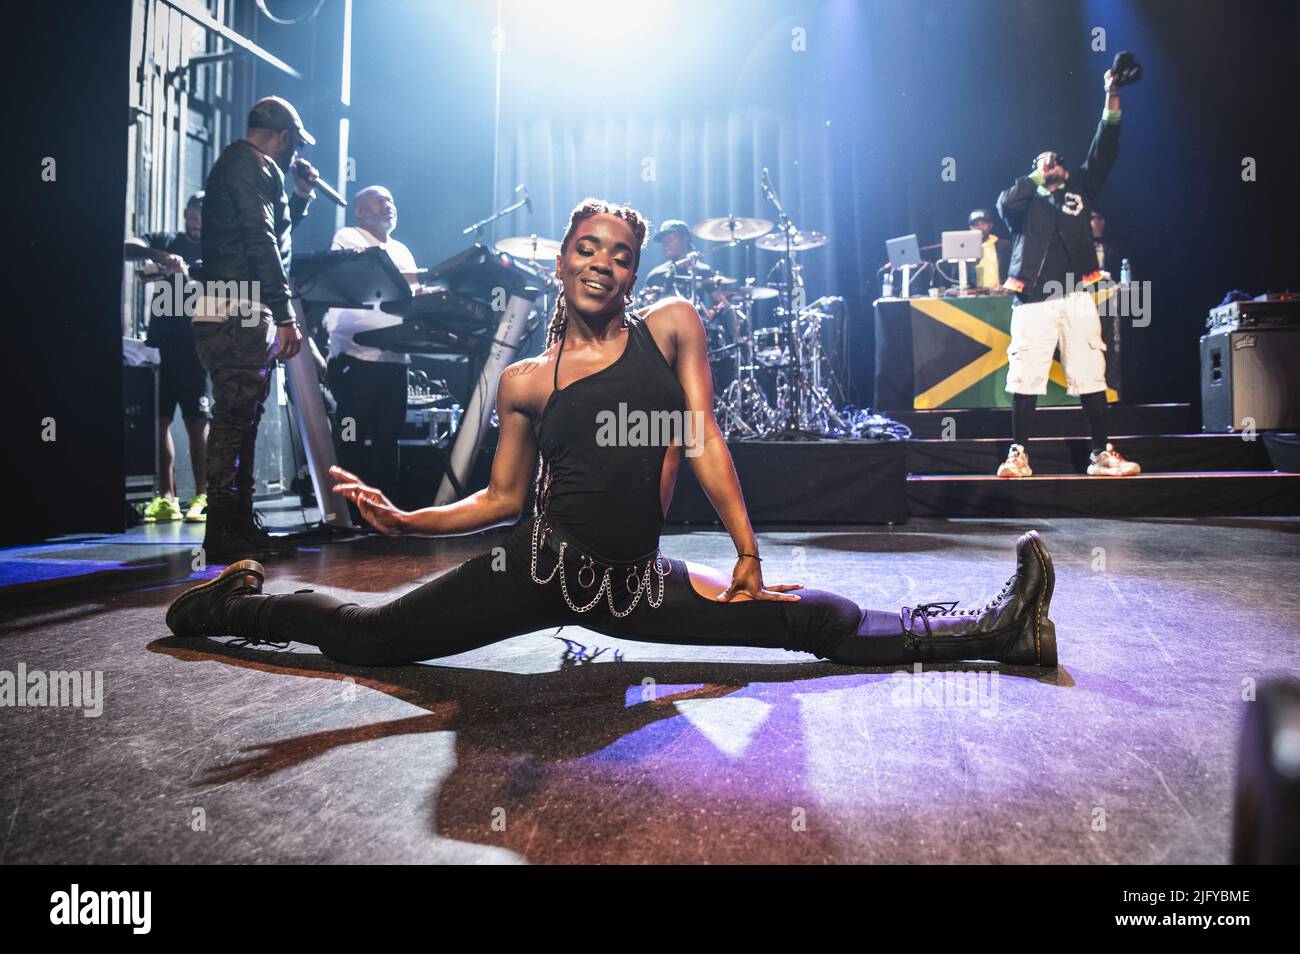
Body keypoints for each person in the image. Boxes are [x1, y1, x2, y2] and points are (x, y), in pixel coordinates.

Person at [166, 198, 1058, 672]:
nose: (603, 262)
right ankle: (236, 605)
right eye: (586, 248)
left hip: (638, 583)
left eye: (620, 253)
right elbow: (501, 500)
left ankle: (996, 632)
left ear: (637, 270)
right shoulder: (524, 380)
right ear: (562, 259)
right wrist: (404, 522)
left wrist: (746, 550)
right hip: (535, 570)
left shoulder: (669, 327)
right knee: (367, 639)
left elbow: (703, 437)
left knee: (807, 619)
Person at [994, 68, 1140, 479]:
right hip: (1033, 299)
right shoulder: (1024, 202)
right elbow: (1005, 201)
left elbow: (1105, 148)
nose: (1052, 164)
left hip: (1076, 295)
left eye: (1055, 160)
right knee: (1025, 374)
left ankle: (1101, 455)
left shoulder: (1080, 188)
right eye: (1044, 161)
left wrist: (1111, 95)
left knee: (1091, 370)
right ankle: (1018, 455)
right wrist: (1038, 176)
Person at [192, 96, 320, 561]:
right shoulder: (254, 165)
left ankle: (238, 524)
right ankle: (223, 529)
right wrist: (285, 314)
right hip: (239, 305)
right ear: (283, 138)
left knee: (241, 415)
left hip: (228, 304)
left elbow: (272, 236)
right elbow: (260, 237)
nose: (294, 155)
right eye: (293, 146)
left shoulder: (240, 166)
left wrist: (300, 197)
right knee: (233, 418)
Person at [322, 186, 419, 502]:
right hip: (356, 356)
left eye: (391, 199)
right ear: (360, 211)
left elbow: (414, 295)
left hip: (394, 360)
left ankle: (384, 510)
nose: (388, 204)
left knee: (387, 438)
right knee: (351, 435)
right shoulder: (348, 237)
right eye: (379, 200)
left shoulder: (402, 250)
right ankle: (348, 510)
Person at [124, 191, 210, 523]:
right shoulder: (168, 239)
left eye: (201, 214)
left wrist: (185, 275)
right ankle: (167, 497)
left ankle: (203, 496)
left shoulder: (216, 250)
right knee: (159, 422)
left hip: (196, 346)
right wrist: (160, 255)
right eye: (191, 213)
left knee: (197, 421)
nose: (195, 219)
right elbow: (127, 247)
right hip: (161, 344)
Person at [968, 208, 1010, 290]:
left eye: (983, 224)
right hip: (975, 296)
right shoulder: (965, 249)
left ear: (990, 225)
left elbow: (1016, 271)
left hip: (1001, 294)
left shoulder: (1004, 245)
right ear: (971, 228)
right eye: (976, 225)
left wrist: (1008, 287)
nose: (980, 227)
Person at [1089, 210, 1126, 281]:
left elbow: (1121, 274)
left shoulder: (1114, 249)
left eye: (1092, 218)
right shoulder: (1079, 246)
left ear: (1102, 221)